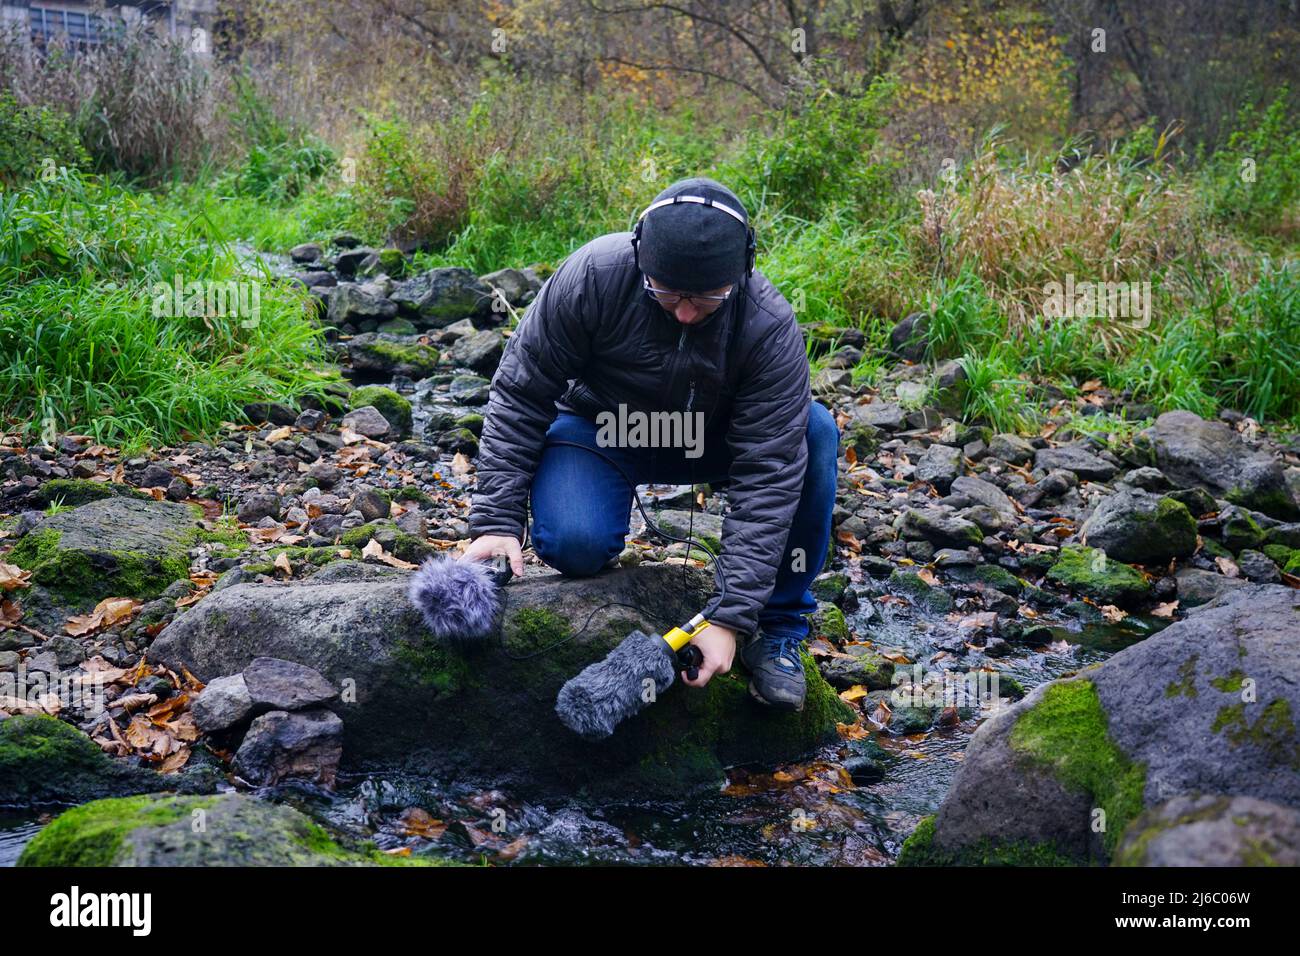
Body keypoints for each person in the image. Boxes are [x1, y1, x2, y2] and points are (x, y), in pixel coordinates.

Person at [461, 176, 839, 711]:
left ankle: (776, 628)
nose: (685, 312)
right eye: (667, 293)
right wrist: (497, 521)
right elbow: (522, 394)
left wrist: (729, 617)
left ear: (741, 273)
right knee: (574, 545)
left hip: (712, 439)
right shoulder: (593, 276)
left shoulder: (766, 323)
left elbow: (769, 469)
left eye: (707, 299)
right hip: (603, 429)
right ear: (641, 259)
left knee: (814, 430)